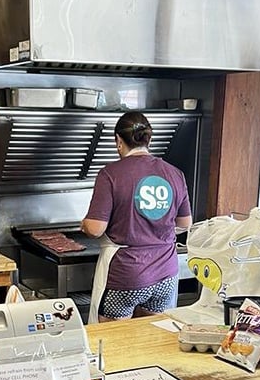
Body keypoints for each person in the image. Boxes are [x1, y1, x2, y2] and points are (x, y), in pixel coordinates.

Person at [81, 111, 192, 323]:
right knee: (149, 342)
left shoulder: (111, 173)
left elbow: (95, 228)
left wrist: (85, 224)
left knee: (114, 345)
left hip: (127, 275)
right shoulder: (174, 173)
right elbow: (185, 223)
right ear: (148, 139)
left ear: (118, 141)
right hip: (165, 275)